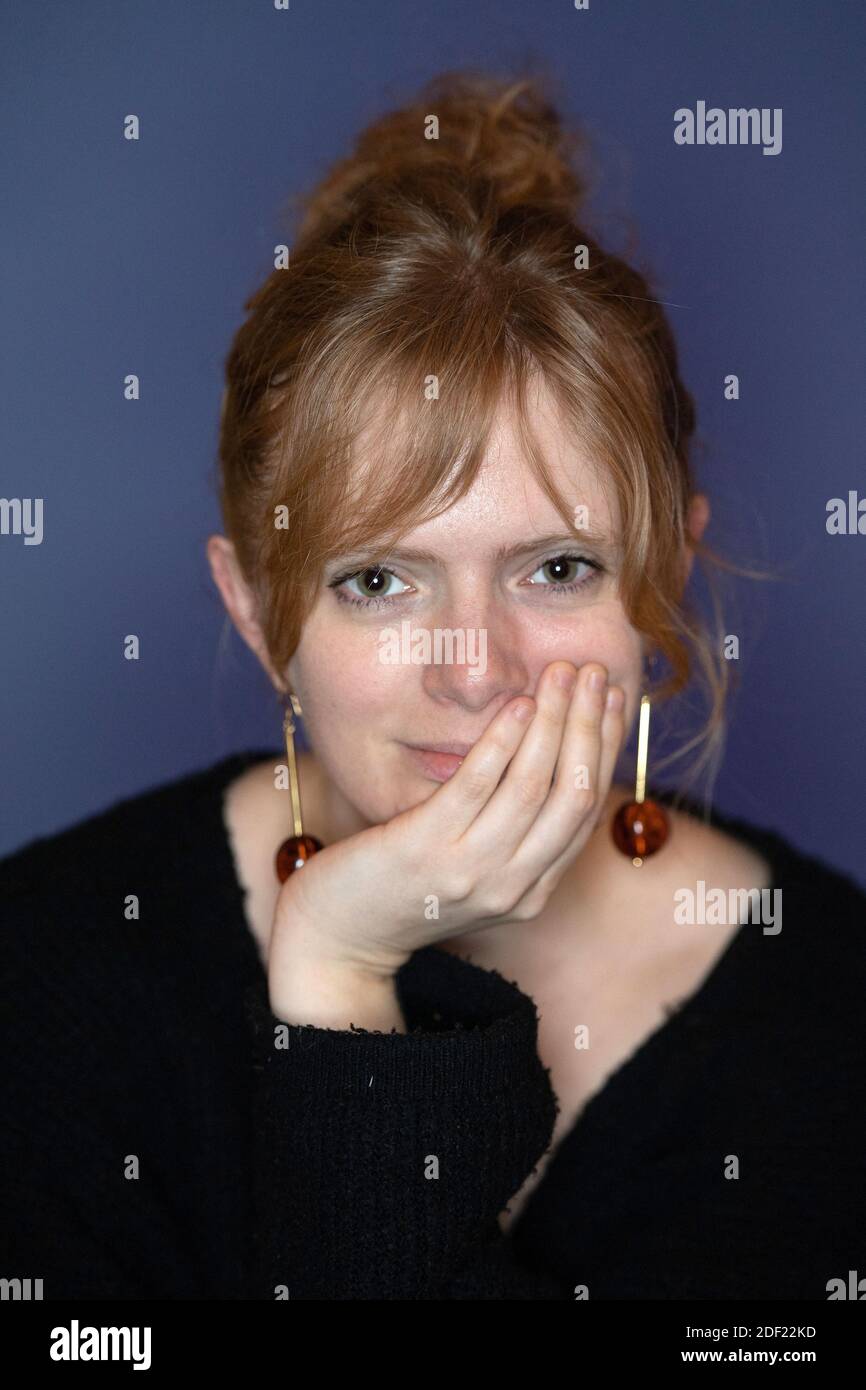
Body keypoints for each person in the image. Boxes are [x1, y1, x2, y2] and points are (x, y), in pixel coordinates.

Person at [2, 71, 864, 1302]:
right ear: (256, 615)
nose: (475, 671)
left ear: (662, 577)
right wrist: (339, 969)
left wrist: (346, 989)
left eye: (557, 567)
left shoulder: (834, 1029)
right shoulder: (42, 982)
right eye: (377, 583)